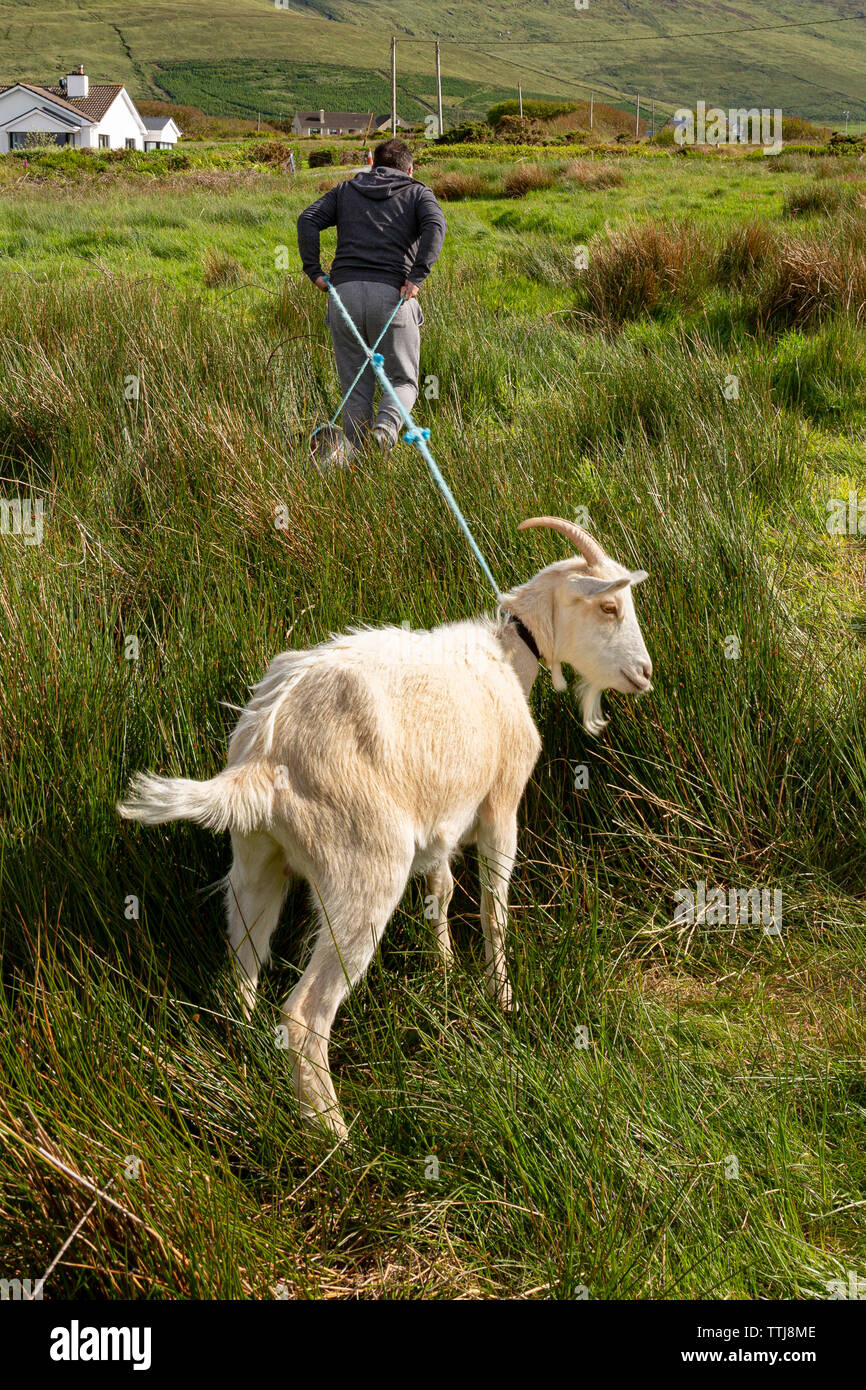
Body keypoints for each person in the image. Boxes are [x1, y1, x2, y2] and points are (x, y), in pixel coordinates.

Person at [297, 138, 446, 454]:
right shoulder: (419, 192)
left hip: (344, 297)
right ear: (409, 169)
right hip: (392, 297)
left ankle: (354, 461)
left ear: (372, 164)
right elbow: (436, 225)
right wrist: (416, 277)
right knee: (403, 382)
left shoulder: (345, 191)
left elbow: (307, 219)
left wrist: (315, 272)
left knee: (355, 387)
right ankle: (384, 432)